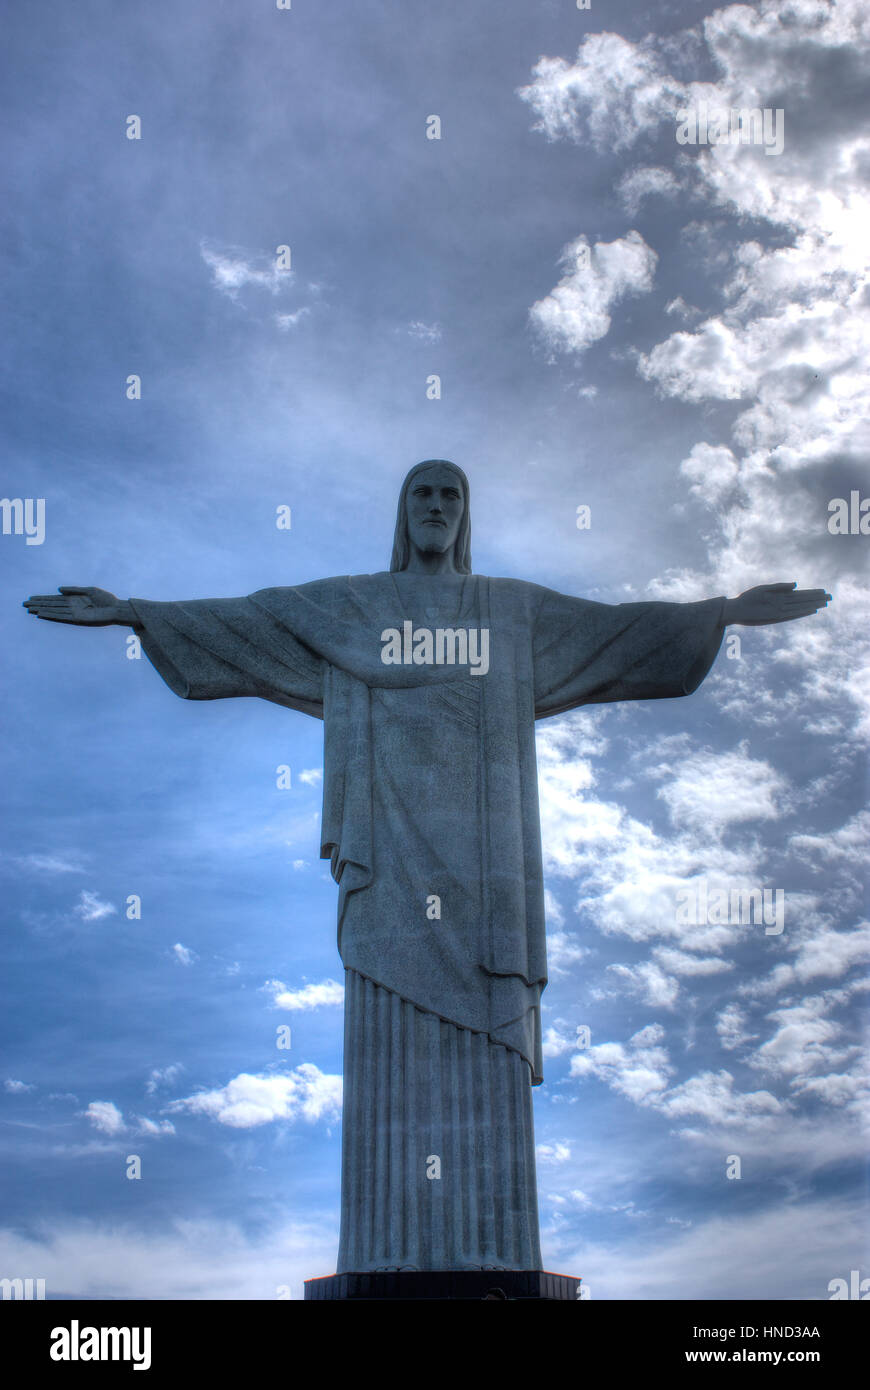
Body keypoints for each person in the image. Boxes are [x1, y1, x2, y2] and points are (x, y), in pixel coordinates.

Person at [24, 459, 831, 1273]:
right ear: (403, 511)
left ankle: (491, 1256)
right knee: (386, 1031)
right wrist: (133, 613)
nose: (437, 507)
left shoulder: (510, 614)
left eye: (451, 495)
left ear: (466, 515)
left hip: (486, 881)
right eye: (423, 493)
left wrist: (722, 613)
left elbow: (616, 629)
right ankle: (387, 1259)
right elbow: (253, 622)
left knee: (485, 1049)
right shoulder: (354, 609)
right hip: (388, 872)